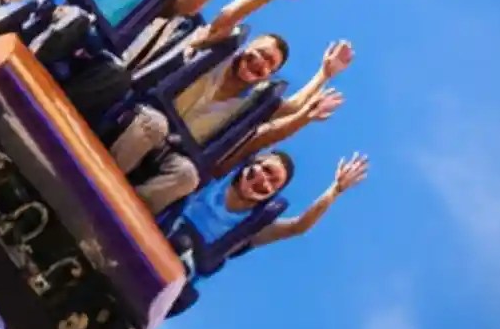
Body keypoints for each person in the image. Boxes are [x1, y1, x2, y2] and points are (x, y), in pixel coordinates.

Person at [122, 35, 355, 214]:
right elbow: (226, 18)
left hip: (178, 154)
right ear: (245, 47)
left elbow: (287, 111)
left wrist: (323, 75)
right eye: (259, 53)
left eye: (269, 63)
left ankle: (123, 209)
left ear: (267, 76)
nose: (260, 62)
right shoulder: (214, 56)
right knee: (155, 124)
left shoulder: (249, 105)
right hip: (146, 124)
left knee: (188, 176)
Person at [169, 152, 370, 280]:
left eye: (273, 182)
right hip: (163, 224)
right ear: (252, 162)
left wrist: (335, 190)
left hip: (178, 266)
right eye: (265, 169)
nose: (263, 179)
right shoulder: (220, 174)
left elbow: (298, 226)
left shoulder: (251, 227)